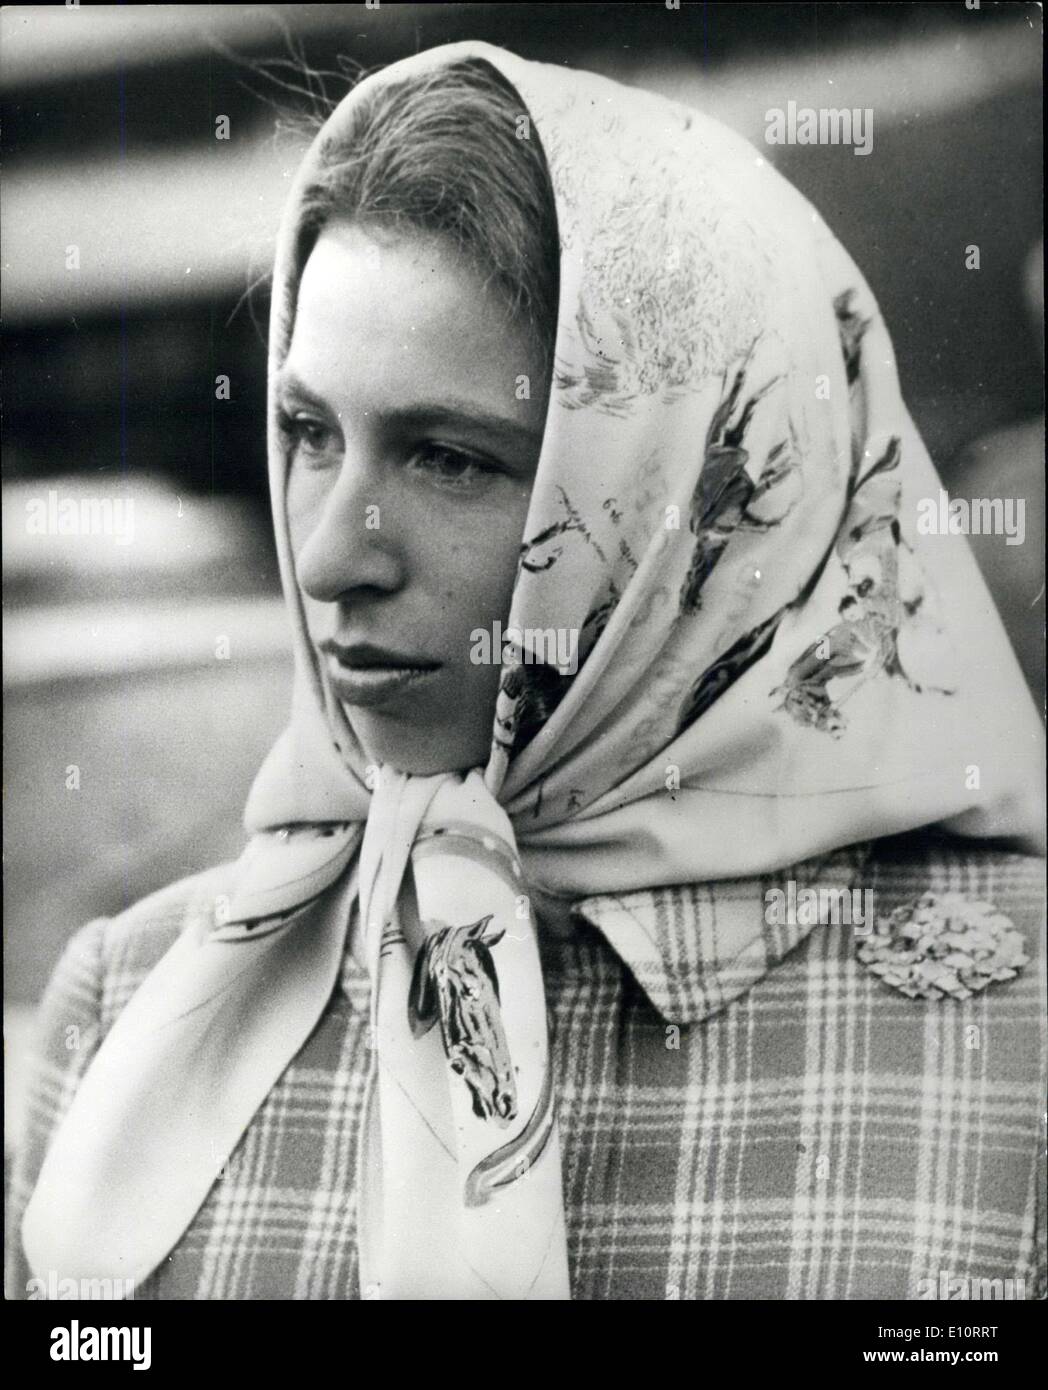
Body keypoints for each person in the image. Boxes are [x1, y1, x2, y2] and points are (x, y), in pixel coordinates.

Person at [7, 40, 1045, 1302]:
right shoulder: (134, 1000)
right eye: (307, 432)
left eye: (449, 459)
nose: (330, 554)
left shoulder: (1011, 1040)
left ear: (688, 504)